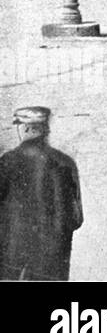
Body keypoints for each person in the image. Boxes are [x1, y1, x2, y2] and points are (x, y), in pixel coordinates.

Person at [0, 107, 83, 281]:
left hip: (11, 261)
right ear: (45, 129)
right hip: (52, 263)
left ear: (25, 129)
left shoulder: (6, 162)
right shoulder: (66, 164)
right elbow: (76, 219)